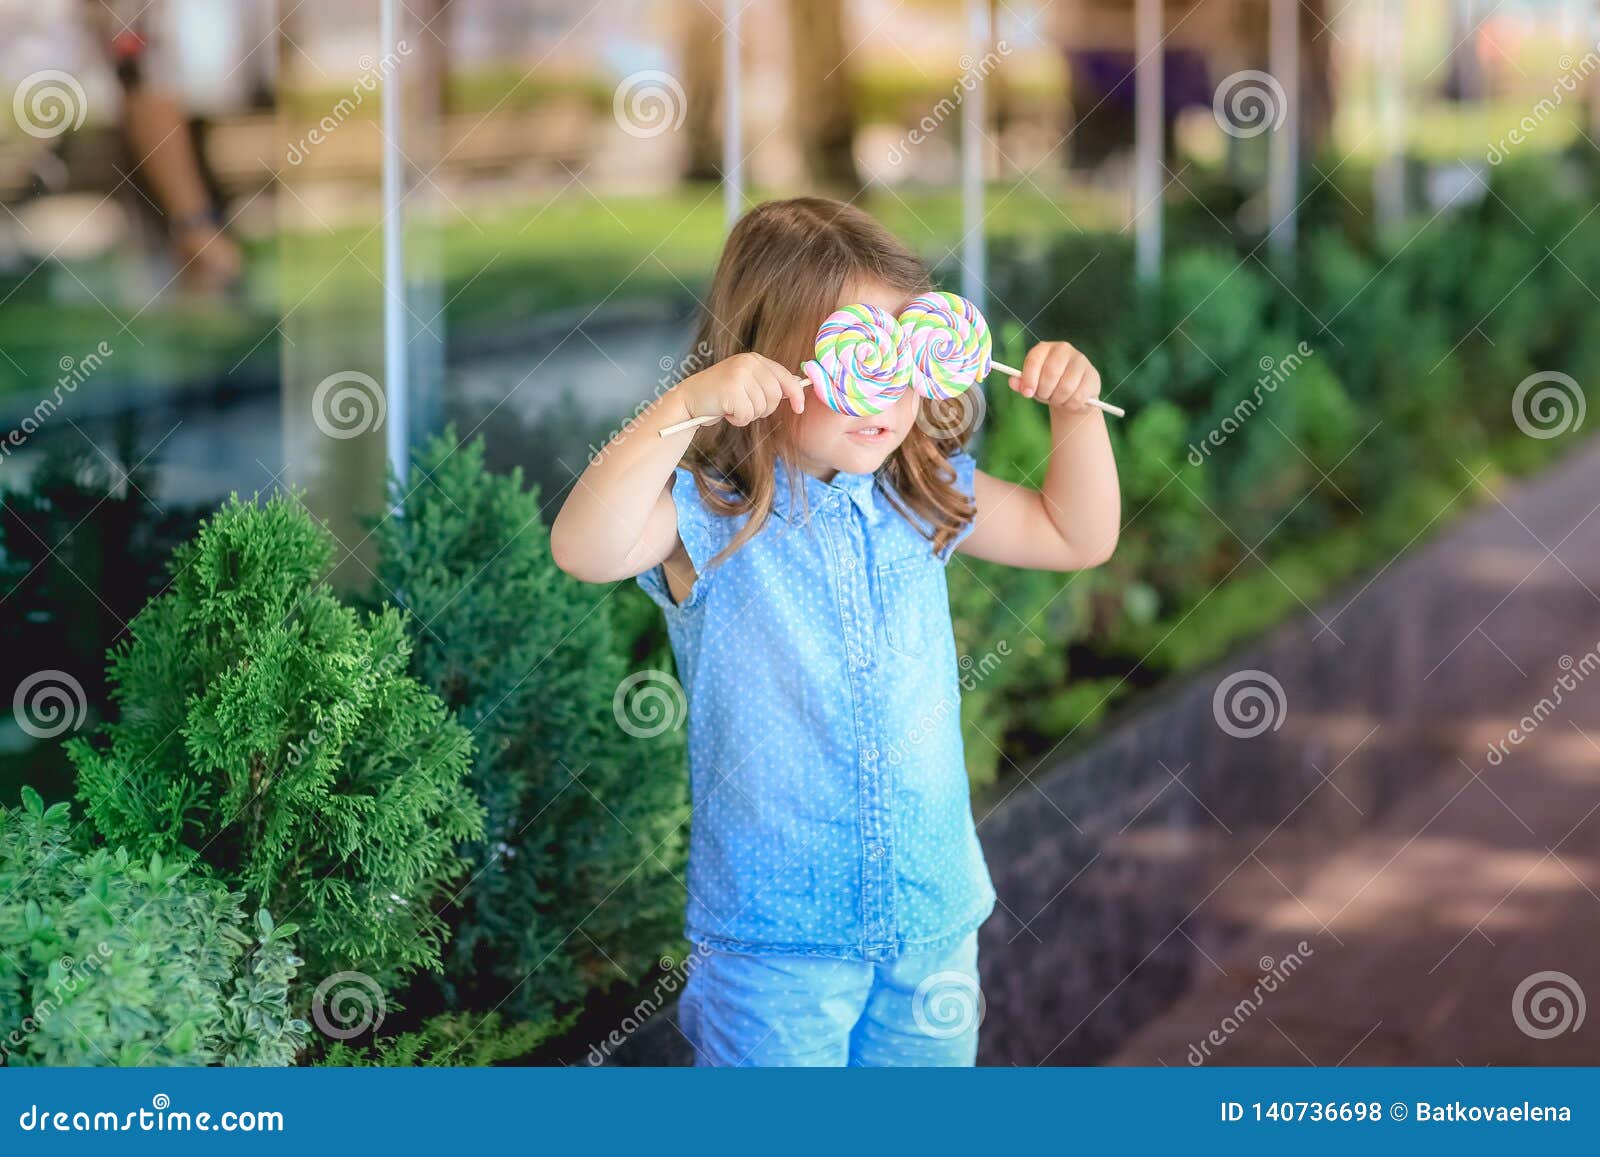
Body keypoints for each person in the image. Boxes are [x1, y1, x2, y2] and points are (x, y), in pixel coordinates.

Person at [552, 197, 1121, 1066]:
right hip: (773, 944)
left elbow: (1078, 534)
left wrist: (1075, 414)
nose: (889, 390)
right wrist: (690, 404)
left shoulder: (919, 493)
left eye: (908, 355)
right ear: (766, 362)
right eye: (860, 354)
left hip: (930, 920)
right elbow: (582, 546)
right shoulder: (711, 520)